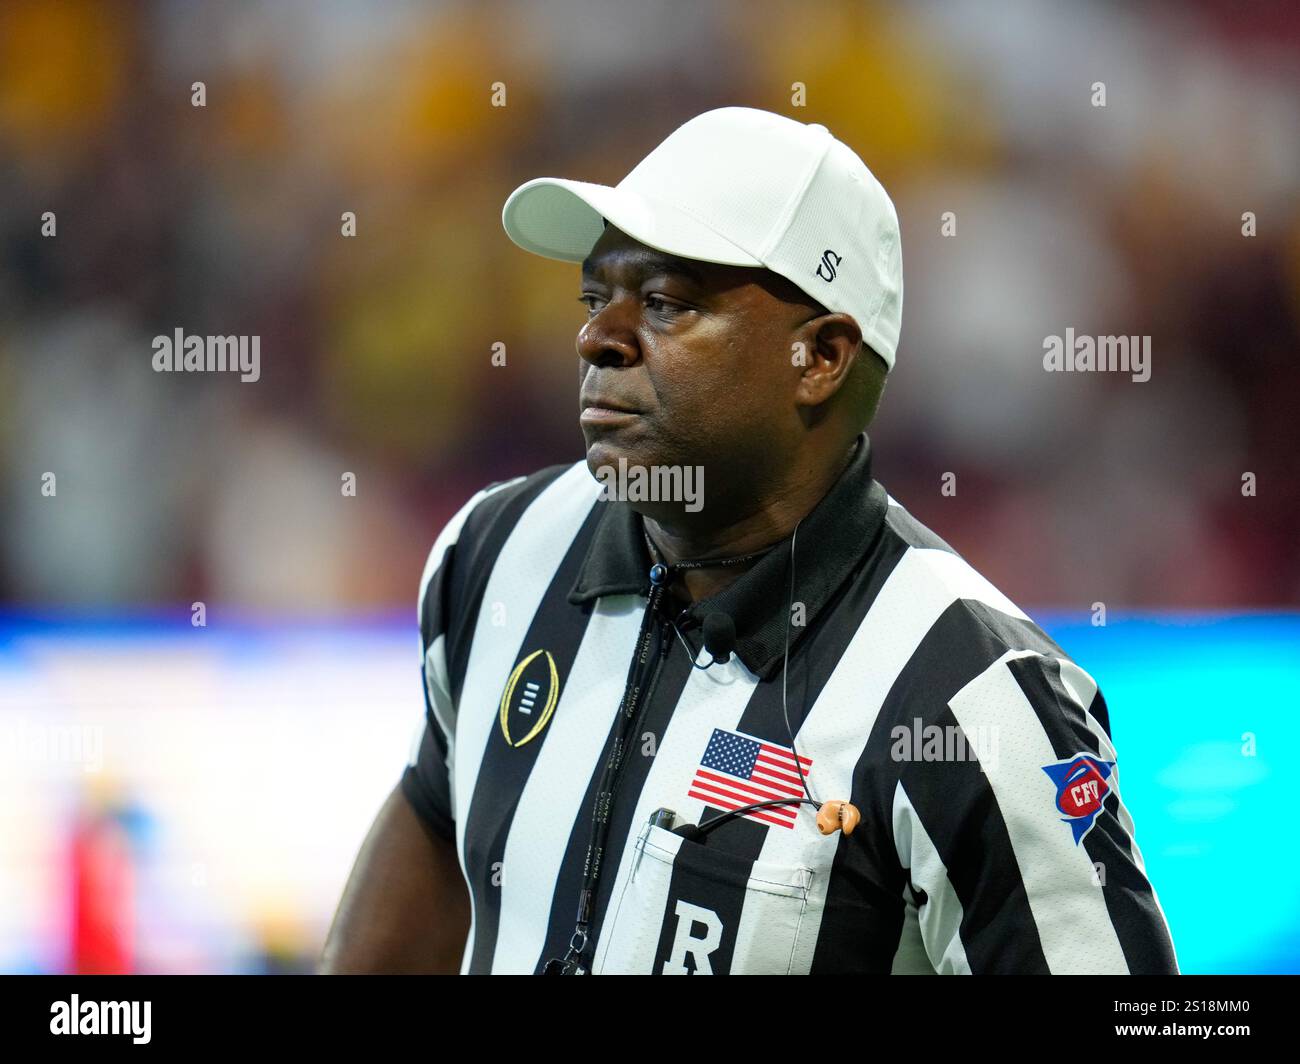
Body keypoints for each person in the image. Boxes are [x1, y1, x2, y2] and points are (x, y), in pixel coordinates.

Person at [321, 107, 1178, 975]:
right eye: (594, 297)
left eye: (662, 303)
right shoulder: (499, 551)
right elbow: (437, 821)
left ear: (821, 356)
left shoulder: (974, 698)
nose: (595, 338)